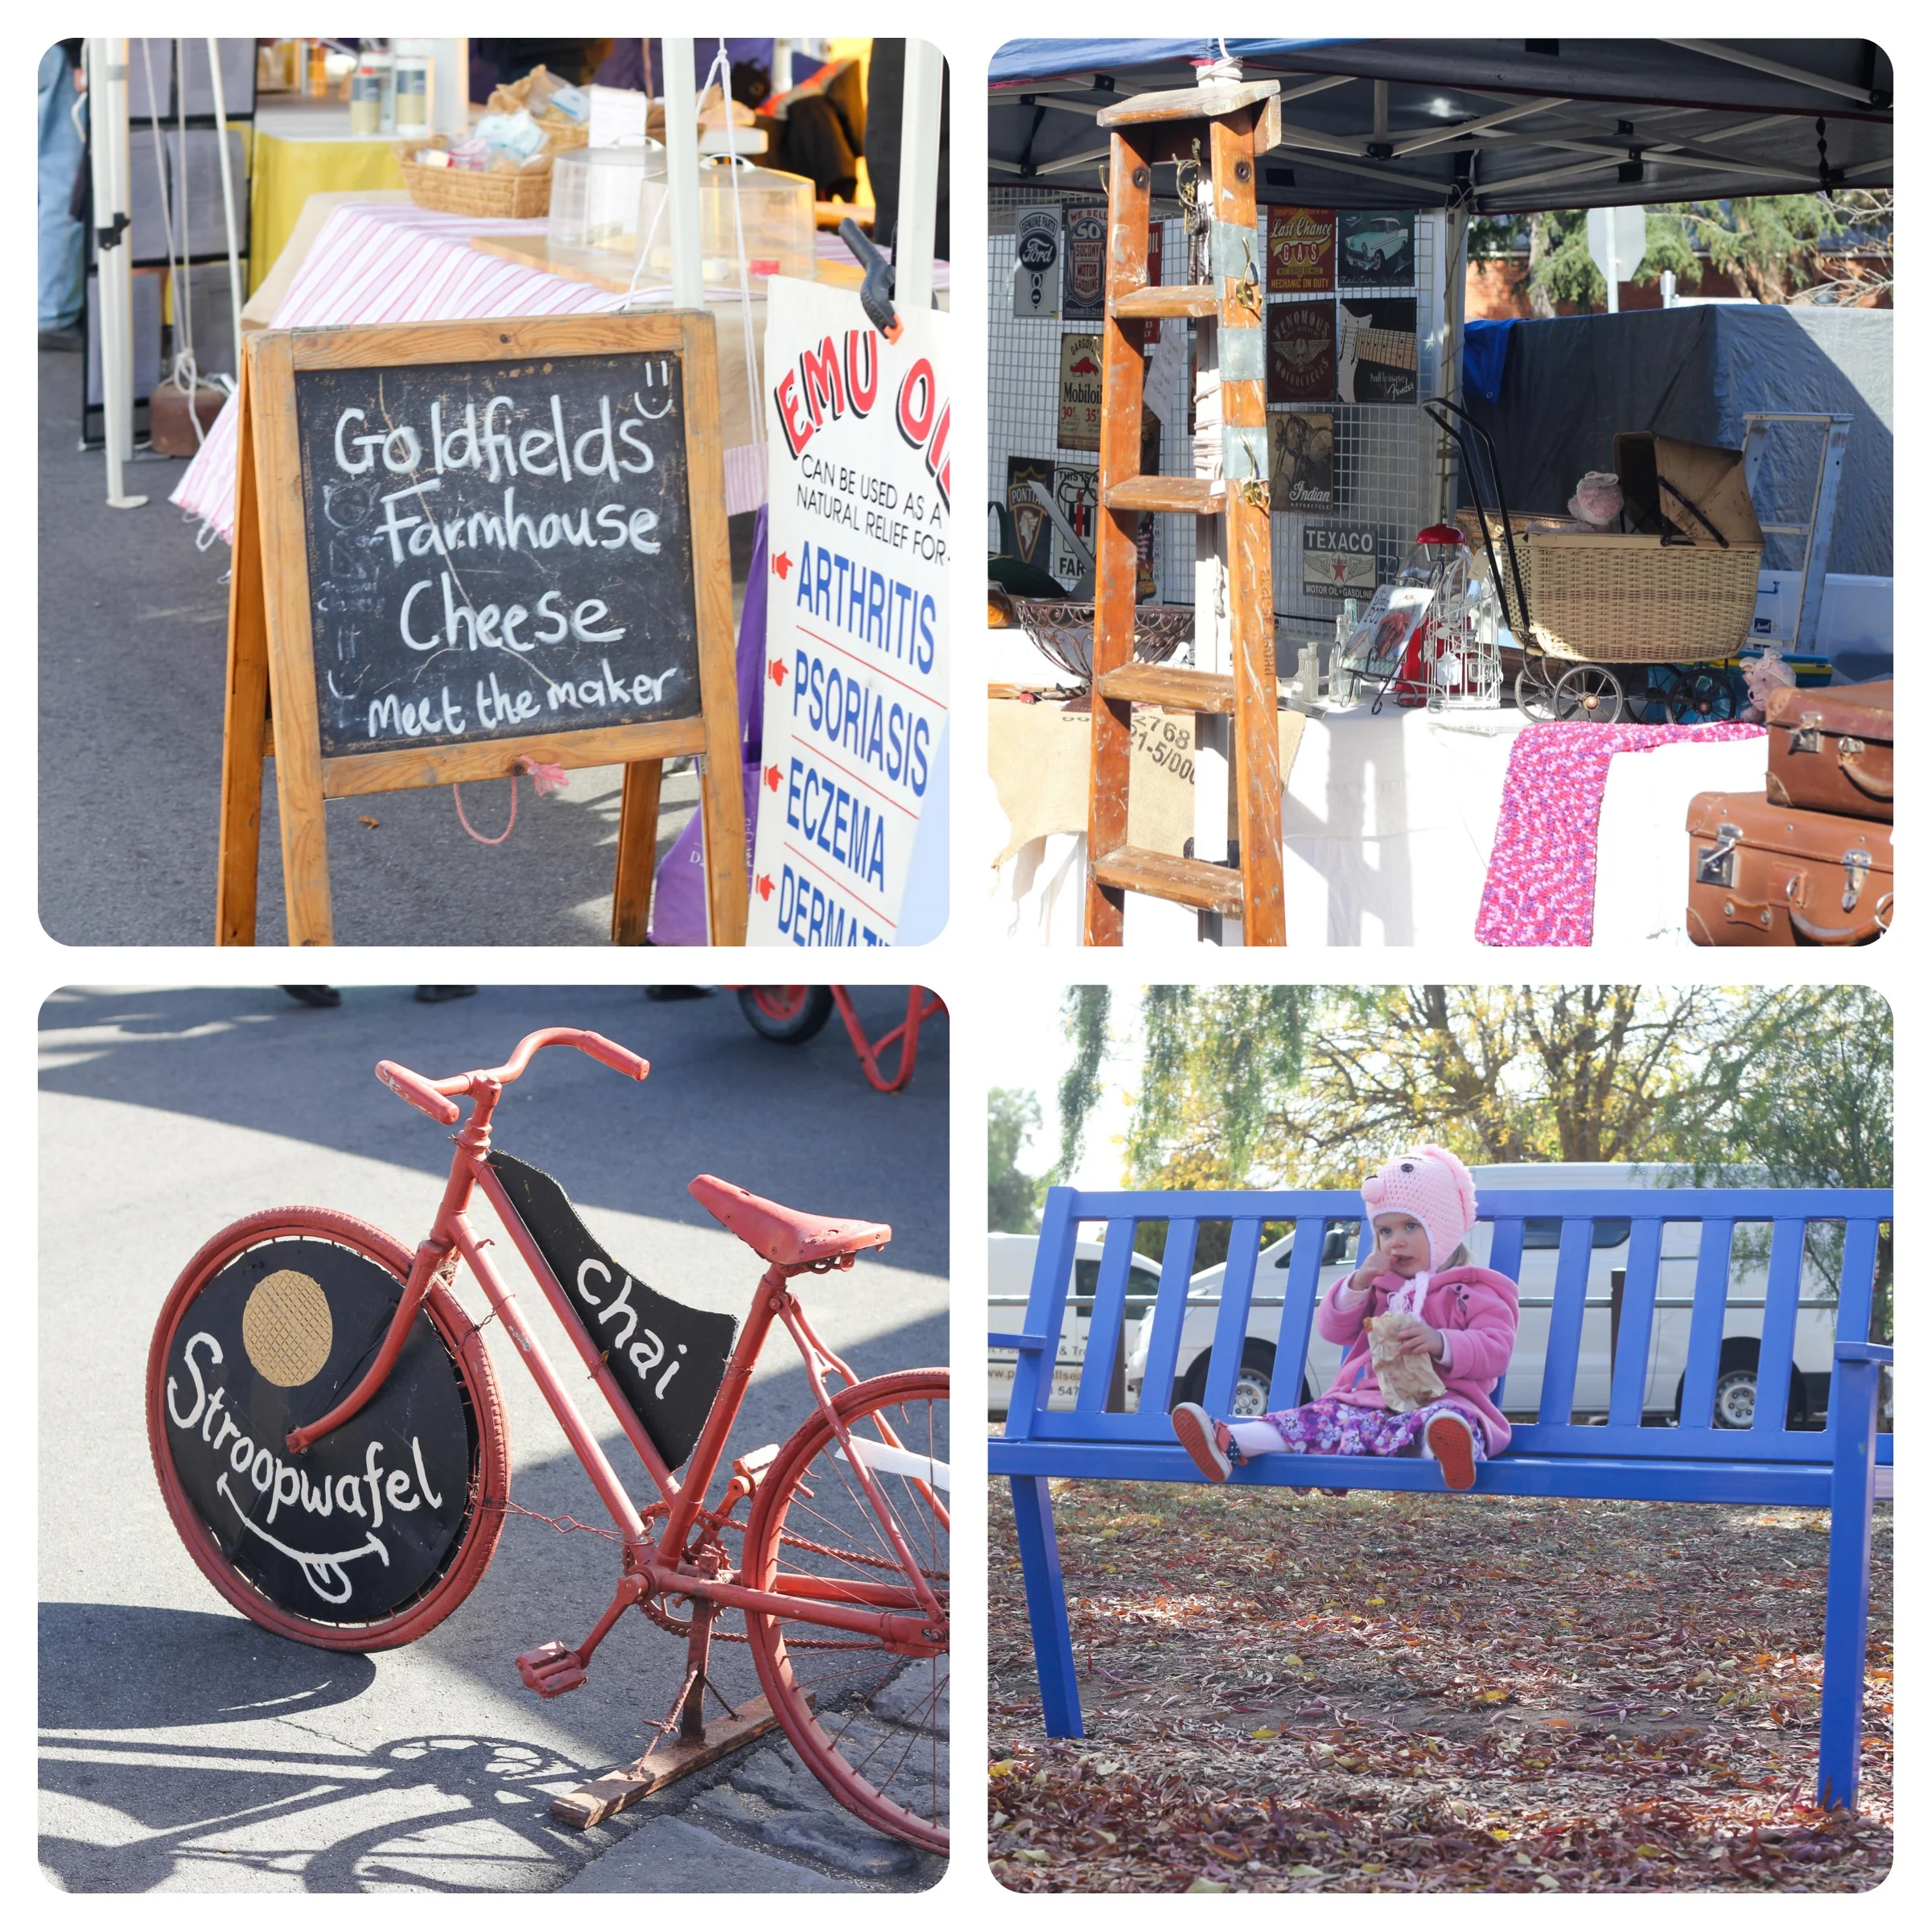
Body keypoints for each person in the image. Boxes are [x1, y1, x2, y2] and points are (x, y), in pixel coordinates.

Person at [1172, 1145, 1518, 1493]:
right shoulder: (1380, 1288)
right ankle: (1230, 1441)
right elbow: (1332, 1328)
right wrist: (1357, 1284)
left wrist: (1442, 1343)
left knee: (1447, 1422)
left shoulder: (1474, 1290)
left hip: (1448, 1401)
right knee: (1317, 1420)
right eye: (1385, 1231)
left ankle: (1446, 1454)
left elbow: (1496, 1349)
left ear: (1442, 1229)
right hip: (1369, 1406)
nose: (1396, 1242)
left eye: (1410, 1226)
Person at [39, 40, 87, 350]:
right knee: (65, 185)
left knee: (44, 182)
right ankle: (53, 314)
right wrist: (77, 56)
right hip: (60, 53)